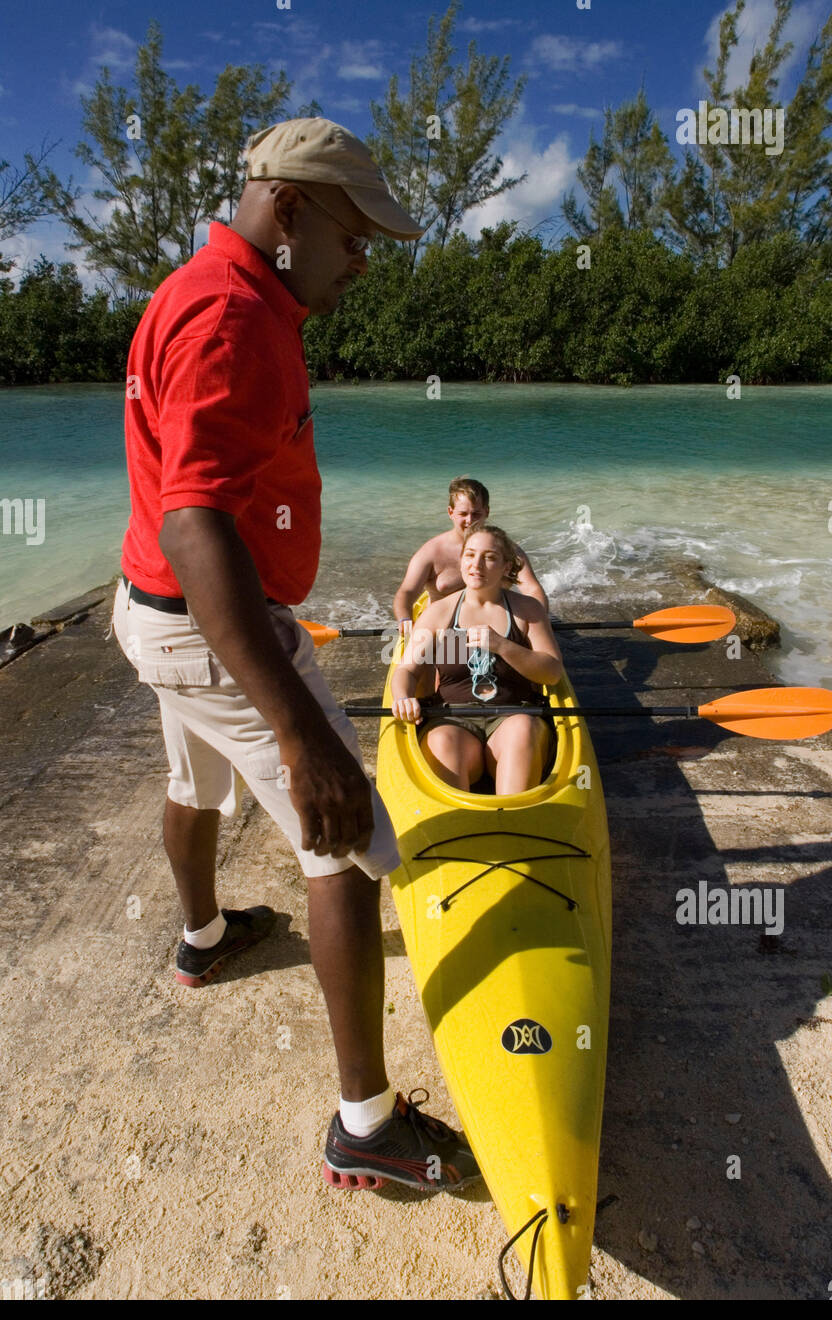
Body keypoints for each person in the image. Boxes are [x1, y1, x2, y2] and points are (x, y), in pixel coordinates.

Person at [112, 117, 479, 1194]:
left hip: (154, 613)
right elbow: (197, 525)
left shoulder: (203, 289)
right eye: (355, 239)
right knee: (348, 845)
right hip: (213, 623)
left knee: (195, 783)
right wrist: (301, 732)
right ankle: (367, 1126)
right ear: (289, 209)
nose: (363, 263)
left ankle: (204, 936)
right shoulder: (235, 317)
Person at [391, 524, 564, 794]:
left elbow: (552, 672)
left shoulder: (527, 610)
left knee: (522, 730)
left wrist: (503, 646)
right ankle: (456, 815)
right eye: (470, 555)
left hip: (515, 714)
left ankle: (513, 811)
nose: (476, 565)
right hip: (452, 717)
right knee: (443, 741)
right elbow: (407, 670)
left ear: (506, 567)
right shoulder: (438, 613)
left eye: (489, 557)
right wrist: (402, 697)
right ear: (461, 560)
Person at [392, 476, 548, 635]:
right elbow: (406, 592)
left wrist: (539, 623)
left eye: (476, 513)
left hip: (496, 631)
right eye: (463, 514)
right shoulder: (431, 552)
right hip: (445, 631)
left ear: (487, 512)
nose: (470, 520)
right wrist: (405, 619)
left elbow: (532, 588)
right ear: (451, 512)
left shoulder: (506, 550)